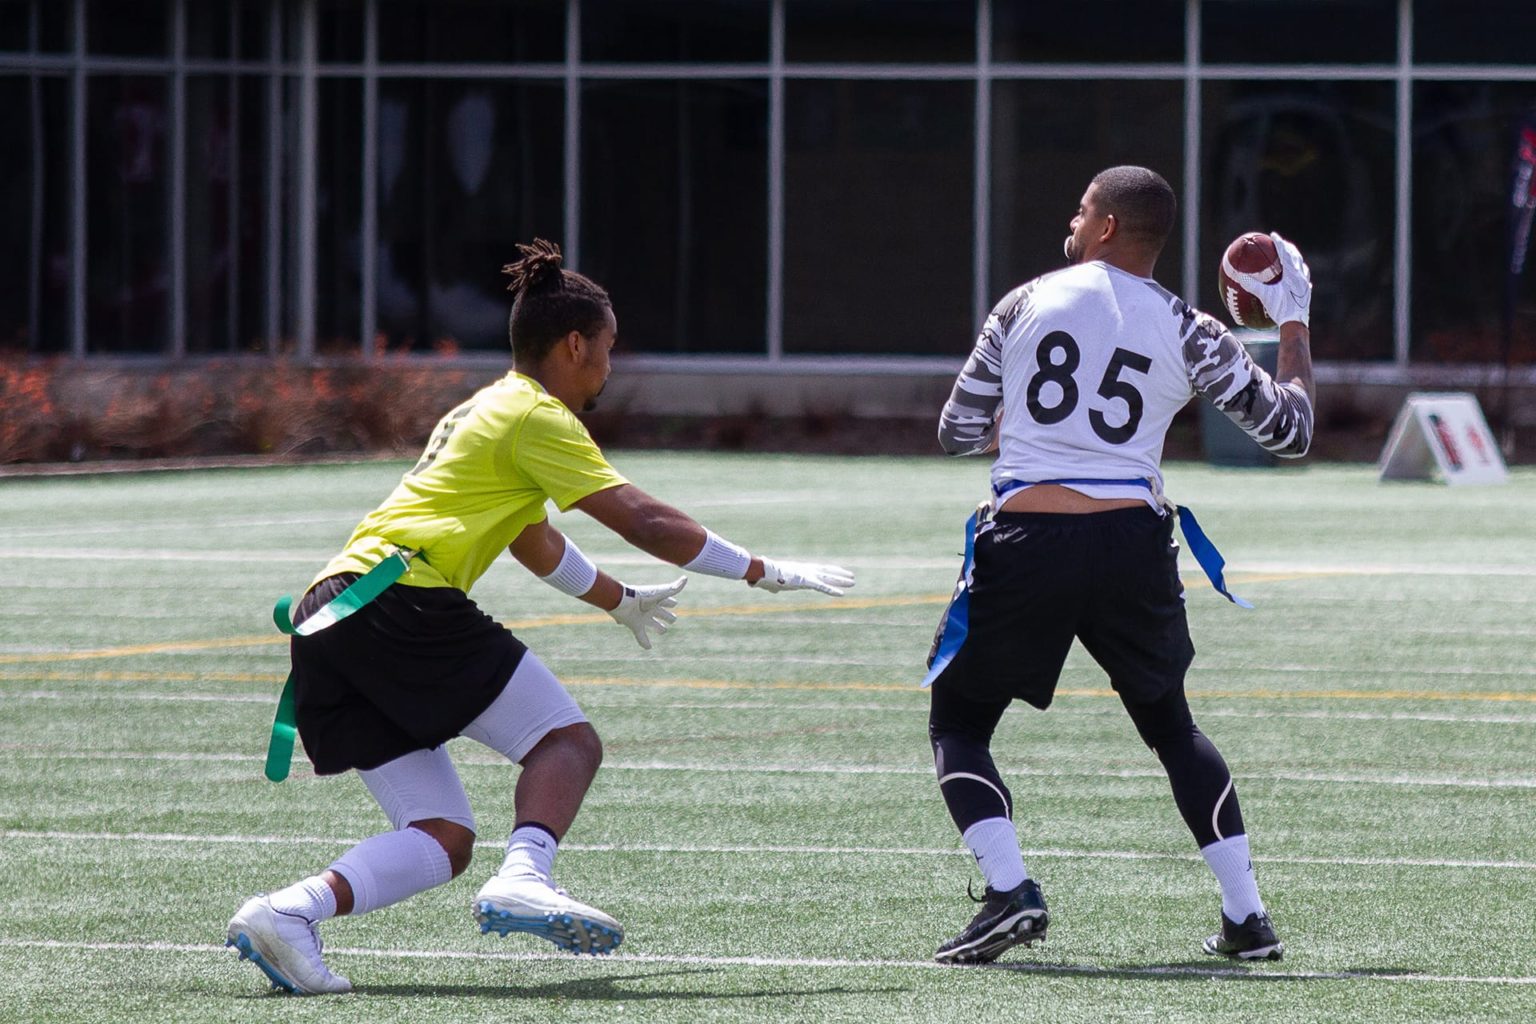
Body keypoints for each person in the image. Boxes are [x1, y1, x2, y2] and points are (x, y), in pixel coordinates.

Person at [226, 238, 854, 995]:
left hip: (333, 613)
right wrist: (764, 571)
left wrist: (619, 601)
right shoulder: (537, 415)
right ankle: (525, 874)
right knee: (567, 741)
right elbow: (645, 520)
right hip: (397, 599)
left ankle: (287, 914)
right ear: (575, 343)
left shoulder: (485, 407)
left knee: (443, 839)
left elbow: (534, 541)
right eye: (608, 349)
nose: (609, 368)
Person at [926, 166, 1314, 965]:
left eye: (1081, 209)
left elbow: (956, 433)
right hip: (1132, 544)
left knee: (958, 723)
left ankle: (1009, 890)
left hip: (1028, 540)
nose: (1072, 219)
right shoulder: (1193, 327)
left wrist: (1021, 421)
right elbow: (1293, 432)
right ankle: (1247, 915)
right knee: (1171, 727)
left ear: (1104, 226)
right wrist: (1295, 322)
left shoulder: (1024, 301)